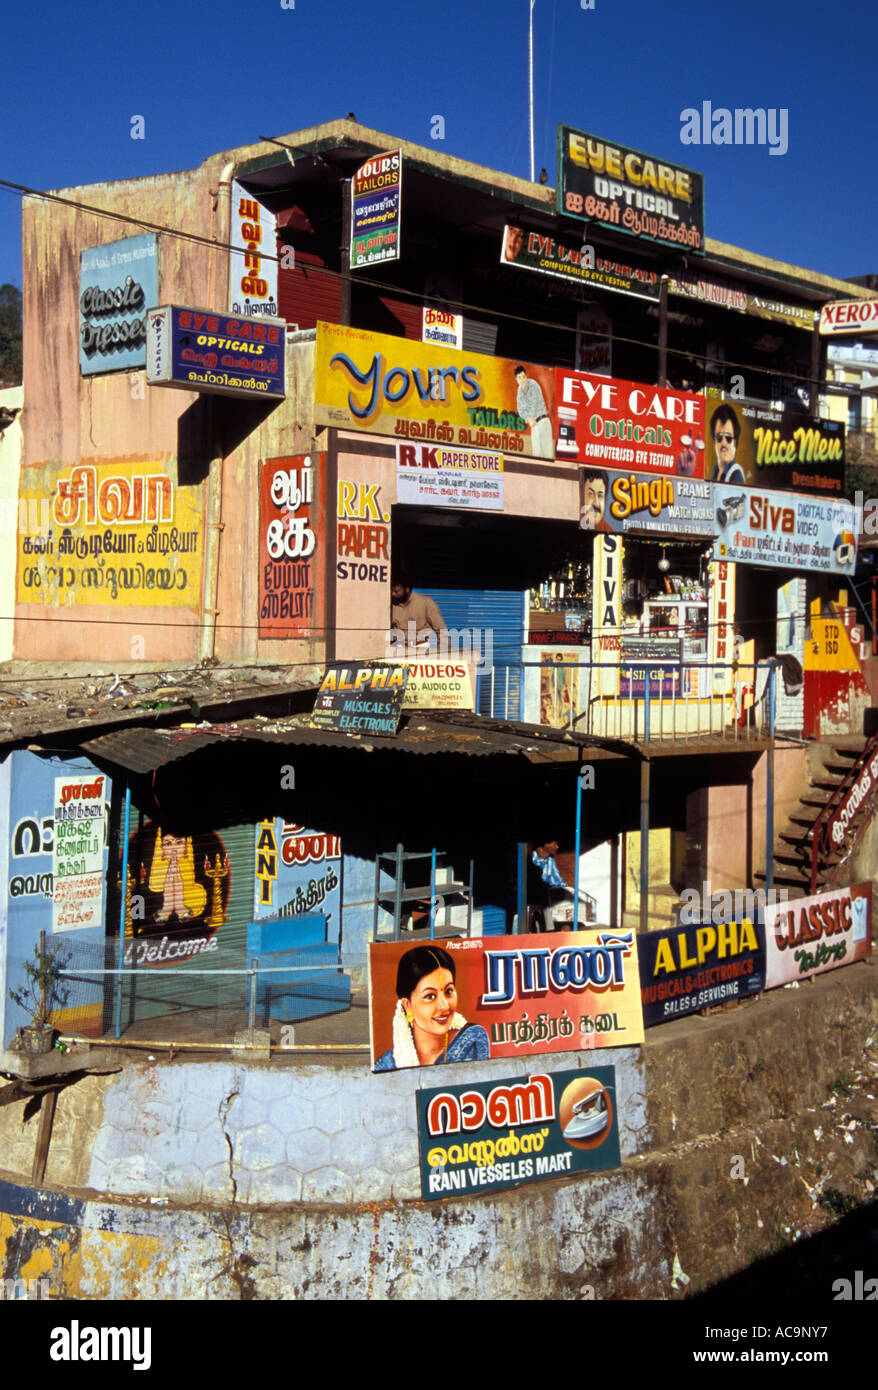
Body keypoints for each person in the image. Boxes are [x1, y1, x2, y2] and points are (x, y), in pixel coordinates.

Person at [373, 945, 491, 1071]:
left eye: (449, 991)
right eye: (430, 996)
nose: (444, 1006)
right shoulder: (387, 1065)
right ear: (407, 1005)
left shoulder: (472, 1040)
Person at [390, 575, 445, 653]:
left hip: (422, 651)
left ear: (407, 589)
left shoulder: (426, 603)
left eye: (396, 591)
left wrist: (441, 653)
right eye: (392, 591)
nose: (393, 594)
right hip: (398, 649)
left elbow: (442, 631)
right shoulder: (390, 604)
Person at [514, 365, 553, 458]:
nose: (522, 380)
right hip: (535, 425)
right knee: (537, 456)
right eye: (519, 378)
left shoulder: (533, 384)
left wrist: (529, 418)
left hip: (543, 422)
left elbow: (534, 403)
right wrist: (528, 418)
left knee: (547, 456)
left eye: (523, 377)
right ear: (516, 379)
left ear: (526, 376)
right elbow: (520, 409)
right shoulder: (519, 391)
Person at [710, 404, 746, 485]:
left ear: (735, 444)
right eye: (719, 437)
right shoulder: (715, 473)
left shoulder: (736, 476)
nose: (723, 443)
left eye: (728, 438)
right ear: (714, 442)